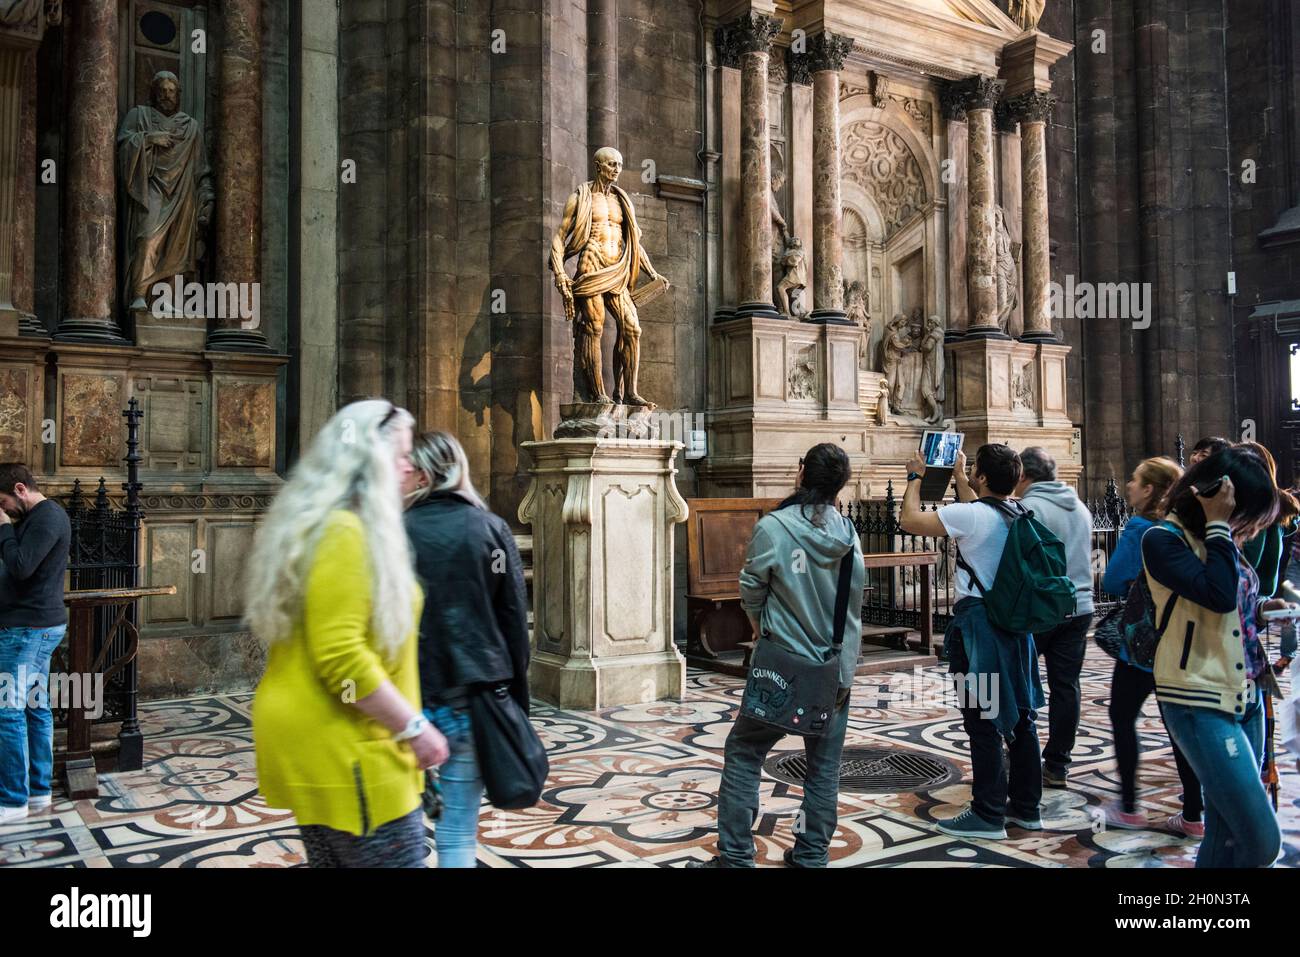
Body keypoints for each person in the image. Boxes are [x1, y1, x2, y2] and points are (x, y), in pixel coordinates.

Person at [248, 401, 449, 867]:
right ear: (369, 459)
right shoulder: (345, 532)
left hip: (324, 743)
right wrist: (415, 728)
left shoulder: (326, 525)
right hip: (352, 749)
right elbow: (341, 657)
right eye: (400, 452)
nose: (409, 464)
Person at [690, 444, 865, 868]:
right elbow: (855, 596)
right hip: (833, 669)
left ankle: (735, 857)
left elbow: (752, 586)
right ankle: (810, 854)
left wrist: (757, 622)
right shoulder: (847, 533)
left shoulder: (776, 527)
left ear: (802, 473)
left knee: (745, 751)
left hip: (782, 666)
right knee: (822, 766)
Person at [1147, 447, 1289, 867]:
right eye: (1242, 513)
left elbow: (1234, 601)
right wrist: (1219, 524)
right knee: (1262, 842)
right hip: (1197, 697)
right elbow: (1219, 594)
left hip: (1245, 692)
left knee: (1226, 833)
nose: (1246, 526)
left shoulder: (1216, 540)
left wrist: (1263, 608)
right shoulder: (1164, 539)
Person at [901, 444, 1044, 840]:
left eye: (975, 470)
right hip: (1015, 626)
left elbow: (910, 520)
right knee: (1020, 715)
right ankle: (1027, 807)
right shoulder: (1016, 511)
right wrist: (964, 477)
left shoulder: (972, 515)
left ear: (983, 477)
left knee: (982, 721)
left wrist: (915, 476)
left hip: (979, 629)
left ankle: (987, 813)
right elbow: (979, 509)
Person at [402, 431, 530, 868]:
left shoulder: (395, 532)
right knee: (457, 831)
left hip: (404, 705)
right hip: (471, 698)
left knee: (401, 833)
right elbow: (514, 622)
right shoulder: (489, 528)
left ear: (421, 473)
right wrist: (517, 706)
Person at [1099, 458, 1204, 835]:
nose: (1128, 485)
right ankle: (1194, 814)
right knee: (1179, 727)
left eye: (1135, 480)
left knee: (1123, 718)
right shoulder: (1187, 528)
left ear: (1148, 490)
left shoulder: (1140, 529)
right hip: (1182, 640)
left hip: (1142, 647)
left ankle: (1129, 806)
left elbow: (1112, 580)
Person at [1014, 448, 1094, 788]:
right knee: (1066, 687)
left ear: (1024, 476)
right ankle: (1058, 762)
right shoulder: (1080, 506)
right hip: (1080, 607)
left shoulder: (1028, 509)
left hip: (1039, 611)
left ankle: (1021, 755)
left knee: (1021, 685)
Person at [0, 464, 71, 824]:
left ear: (20, 489)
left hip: (29, 629)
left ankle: (12, 802)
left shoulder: (47, 517)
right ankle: (39, 792)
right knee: (34, 707)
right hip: (31, 627)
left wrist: (3, 530)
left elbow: (22, 566)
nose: (5, 510)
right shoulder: (34, 519)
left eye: (4, 502)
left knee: (6, 711)